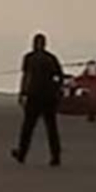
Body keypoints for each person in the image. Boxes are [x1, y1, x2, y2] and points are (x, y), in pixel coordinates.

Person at [11, 32, 64, 166]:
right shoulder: (51, 58)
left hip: (34, 96)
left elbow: (26, 76)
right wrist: (55, 89)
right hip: (48, 97)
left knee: (28, 128)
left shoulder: (29, 58)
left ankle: (22, 154)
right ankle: (55, 156)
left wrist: (22, 93)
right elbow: (59, 76)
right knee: (51, 128)